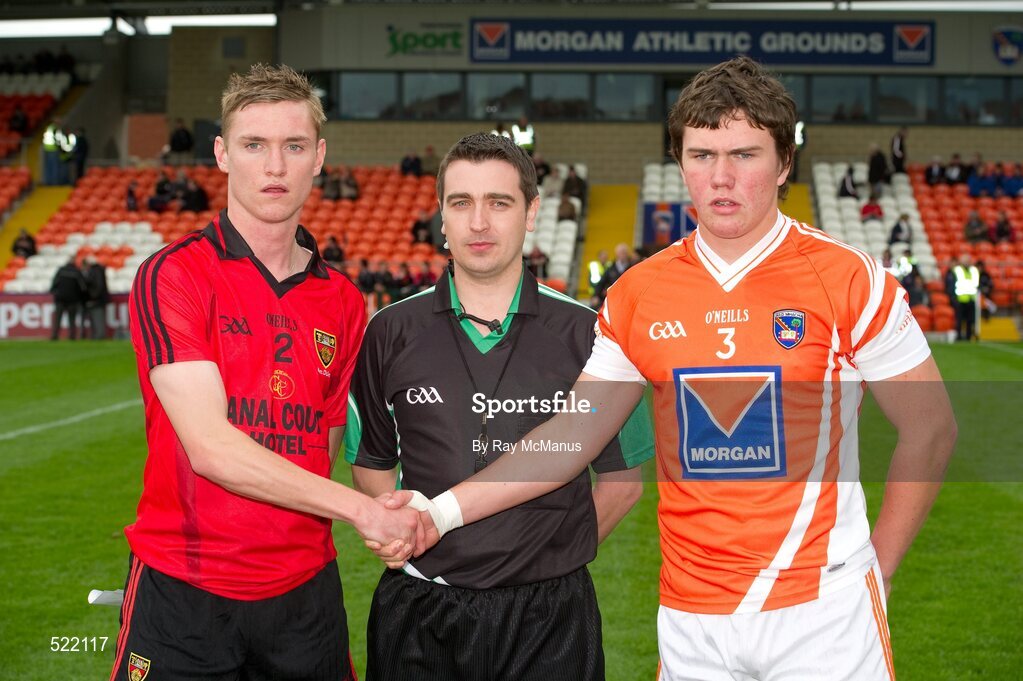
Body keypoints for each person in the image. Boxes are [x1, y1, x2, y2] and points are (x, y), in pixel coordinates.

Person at [383, 57, 956, 681]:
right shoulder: (639, 294)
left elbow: (930, 427)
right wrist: (439, 514)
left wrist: (883, 564)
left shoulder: (849, 280)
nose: (722, 178)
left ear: (784, 162)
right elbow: (567, 441)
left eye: (745, 154)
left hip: (823, 609)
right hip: (692, 618)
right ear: (680, 162)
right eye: (703, 155)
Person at [109, 64, 422, 681]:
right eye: (254, 145)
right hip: (185, 590)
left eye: (294, 146)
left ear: (319, 157)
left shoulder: (342, 299)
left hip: (305, 596)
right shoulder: (174, 275)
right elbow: (211, 449)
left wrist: (400, 510)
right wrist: (365, 512)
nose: (275, 166)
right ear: (223, 154)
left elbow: (321, 449)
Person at [346, 132, 651, 681]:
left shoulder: (592, 335)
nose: (479, 223)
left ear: (531, 212)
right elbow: (370, 461)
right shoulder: (389, 331)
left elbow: (624, 482)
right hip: (422, 608)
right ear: (441, 217)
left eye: (499, 203)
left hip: (550, 618)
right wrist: (402, 529)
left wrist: (548, 556)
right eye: (461, 203)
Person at [49, 257, 86, 340]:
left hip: (60, 299)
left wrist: (54, 292)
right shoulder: (76, 272)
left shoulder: (61, 270)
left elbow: (54, 283)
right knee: (72, 319)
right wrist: (80, 297)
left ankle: (54, 335)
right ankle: (72, 336)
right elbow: (83, 287)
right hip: (73, 300)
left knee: (58, 319)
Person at [953, 254, 980, 341]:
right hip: (960, 299)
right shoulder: (958, 270)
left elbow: (976, 284)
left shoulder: (974, 270)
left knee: (970, 320)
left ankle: (968, 336)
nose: (967, 263)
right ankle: (959, 336)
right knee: (959, 320)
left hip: (971, 299)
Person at [82, 256, 110, 339]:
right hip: (99, 299)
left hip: (97, 300)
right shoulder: (99, 270)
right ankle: (98, 335)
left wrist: (93, 297)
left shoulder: (95, 271)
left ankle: (99, 335)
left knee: (97, 318)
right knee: (97, 318)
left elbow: (98, 286)